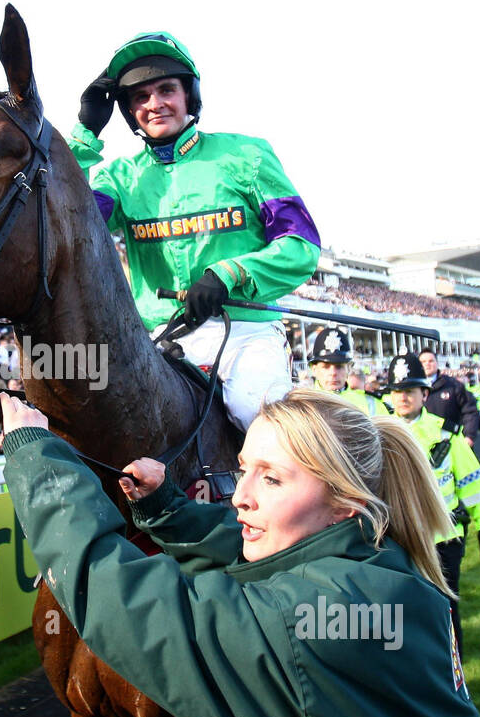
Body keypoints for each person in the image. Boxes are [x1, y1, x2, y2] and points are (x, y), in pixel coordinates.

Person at [0, 387, 480, 717]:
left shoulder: (298, 620)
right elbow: (261, 553)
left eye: (272, 479)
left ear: (347, 503)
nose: (240, 498)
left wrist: (35, 456)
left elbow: (116, 596)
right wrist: (167, 509)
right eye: (243, 471)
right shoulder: (384, 562)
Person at [72, 31, 320, 430]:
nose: (155, 105)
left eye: (166, 90)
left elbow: (301, 246)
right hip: (162, 337)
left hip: (246, 334)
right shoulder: (118, 179)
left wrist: (231, 273)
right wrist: (85, 136)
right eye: (140, 97)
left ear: (190, 95)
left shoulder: (246, 154)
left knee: (254, 416)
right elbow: (66, 224)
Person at [386, 354, 480, 659]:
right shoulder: (377, 432)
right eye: (397, 391)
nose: (403, 397)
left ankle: (453, 678)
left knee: (445, 612)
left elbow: (472, 483)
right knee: (404, 616)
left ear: (425, 394)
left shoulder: (447, 434)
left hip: (443, 540)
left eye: (410, 390)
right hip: (399, 541)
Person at [305, 327, 391, 417]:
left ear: (349, 369)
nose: (333, 372)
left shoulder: (372, 404)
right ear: (314, 369)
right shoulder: (304, 406)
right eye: (326, 367)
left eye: (339, 366)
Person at [419, 350, 479, 442]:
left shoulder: (453, 385)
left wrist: (469, 435)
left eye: (431, 361)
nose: (427, 364)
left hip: (451, 441)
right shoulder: (413, 389)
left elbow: (470, 410)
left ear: (437, 363)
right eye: (423, 362)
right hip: (423, 442)